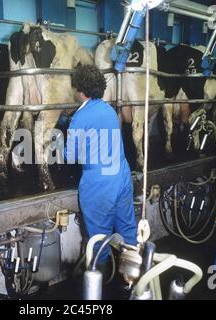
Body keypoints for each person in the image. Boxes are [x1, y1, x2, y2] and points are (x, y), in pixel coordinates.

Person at [64, 64, 138, 272]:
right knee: (127, 229)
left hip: (99, 183)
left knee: (98, 240)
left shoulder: (78, 118)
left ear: (80, 90)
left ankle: (100, 288)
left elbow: (71, 157)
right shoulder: (109, 110)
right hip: (121, 176)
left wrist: (61, 138)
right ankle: (131, 283)